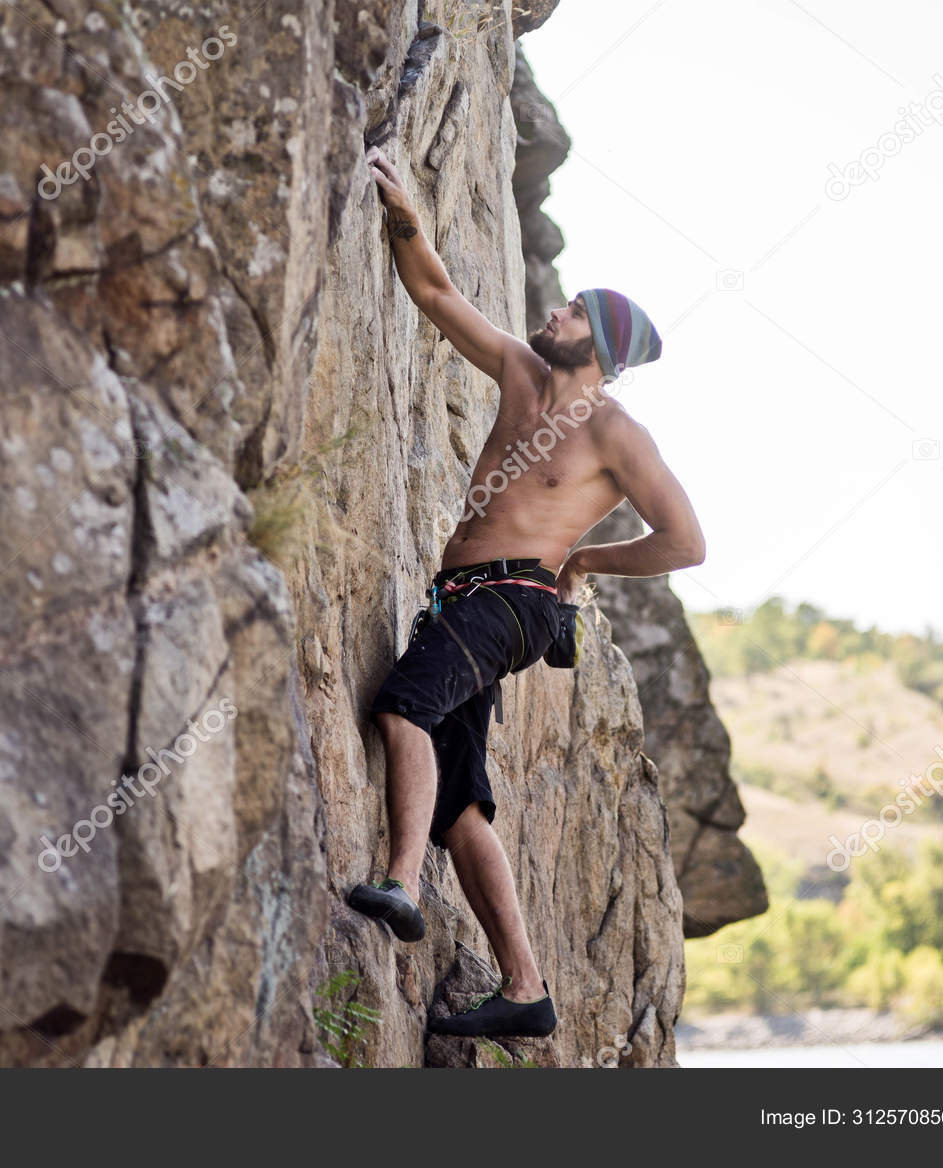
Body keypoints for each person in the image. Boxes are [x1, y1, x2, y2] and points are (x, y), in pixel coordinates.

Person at [346, 147, 706, 1038]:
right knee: (463, 805)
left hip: (513, 601)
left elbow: (686, 543)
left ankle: (396, 880)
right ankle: (524, 989)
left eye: (574, 311)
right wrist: (404, 214)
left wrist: (585, 564)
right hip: (462, 595)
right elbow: (433, 294)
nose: (554, 310)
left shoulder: (619, 433)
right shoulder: (520, 372)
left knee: (402, 709)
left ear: (603, 347)